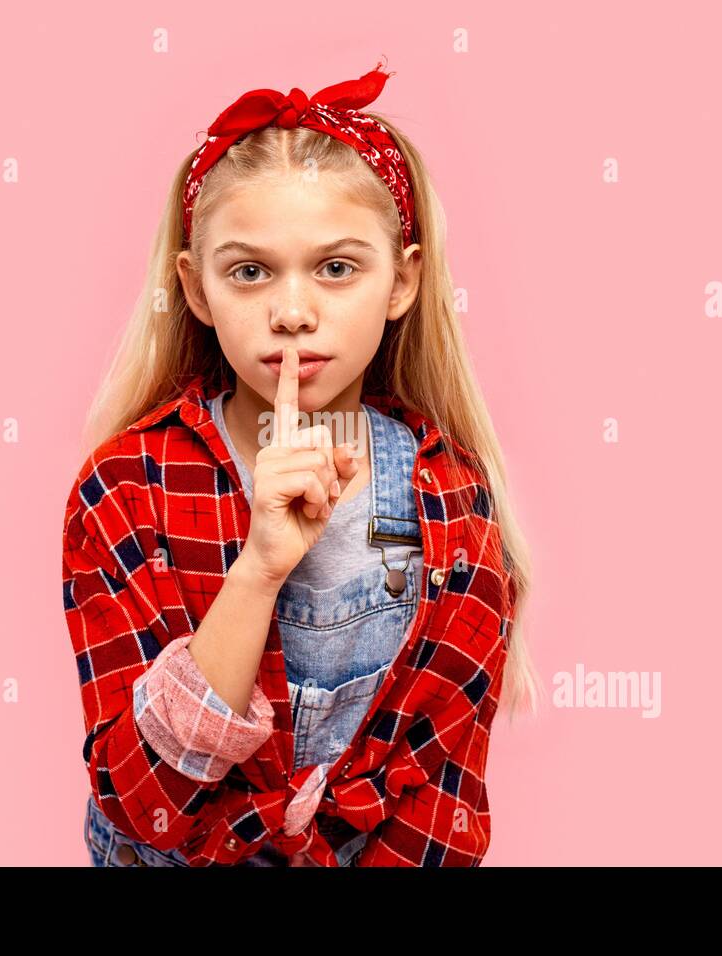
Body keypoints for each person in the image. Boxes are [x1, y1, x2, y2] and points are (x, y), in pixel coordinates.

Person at [64, 58, 542, 867]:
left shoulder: (452, 500)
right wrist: (259, 569)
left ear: (403, 280)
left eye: (336, 268)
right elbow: (141, 799)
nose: (292, 312)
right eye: (249, 272)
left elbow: (442, 811)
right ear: (197, 288)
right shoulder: (125, 488)